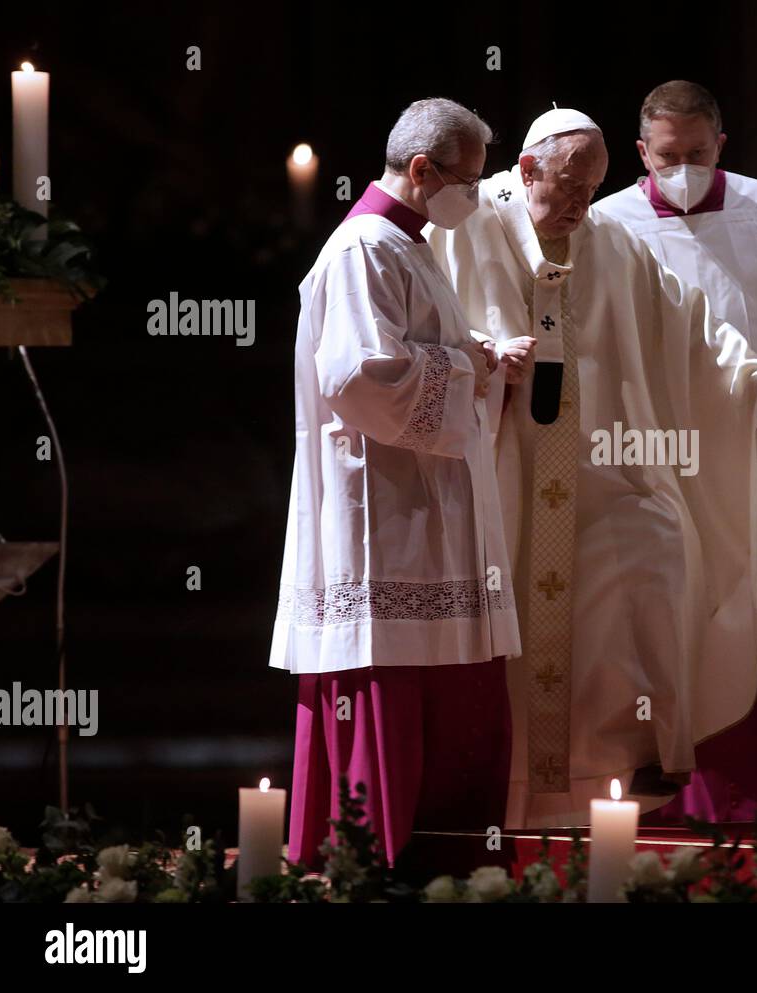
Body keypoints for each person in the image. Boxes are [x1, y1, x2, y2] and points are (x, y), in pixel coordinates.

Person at [427, 107, 757, 829]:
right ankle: (515, 792)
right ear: (525, 170)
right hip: (500, 471)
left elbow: (696, 327)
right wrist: (485, 354)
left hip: (602, 475)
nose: (581, 203)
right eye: (570, 186)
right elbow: (426, 320)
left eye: (593, 187)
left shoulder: (609, 243)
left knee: (663, 544)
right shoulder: (467, 231)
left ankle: (627, 763)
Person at [270, 98, 527, 867]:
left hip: (425, 511)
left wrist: (473, 350)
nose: (475, 197)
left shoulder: (409, 246)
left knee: (457, 701)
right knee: (394, 689)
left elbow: (413, 346)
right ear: (421, 170)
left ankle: (450, 869)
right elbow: (361, 375)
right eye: (468, 180)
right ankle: (381, 867)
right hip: (384, 520)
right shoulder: (363, 249)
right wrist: (472, 365)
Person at [596, 80, 757, 823]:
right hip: (655, 456)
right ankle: (665, 788)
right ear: (642, 151)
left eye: (698, 154)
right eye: (667, 156)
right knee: (664, 612)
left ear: (722, 146)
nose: (683, 169)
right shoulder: (610, 222)